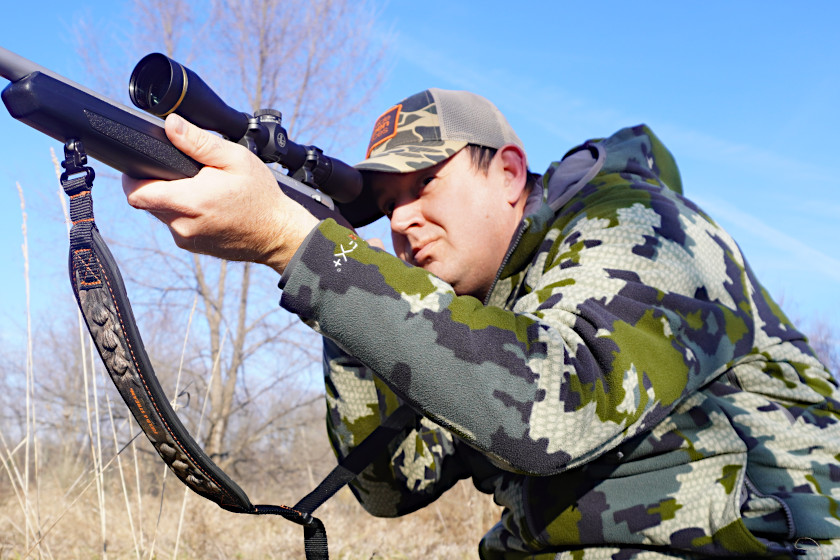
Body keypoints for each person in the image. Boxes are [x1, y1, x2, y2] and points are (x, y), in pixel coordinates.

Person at [122, 88, 840, 559]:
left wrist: (303, 249)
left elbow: (550, 408)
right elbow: (390, 486)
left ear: (508, 172)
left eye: (424, 184)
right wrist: (342, 287)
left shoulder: (639, 225)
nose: (402, 219)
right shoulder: (476, 309)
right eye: (386, 203)